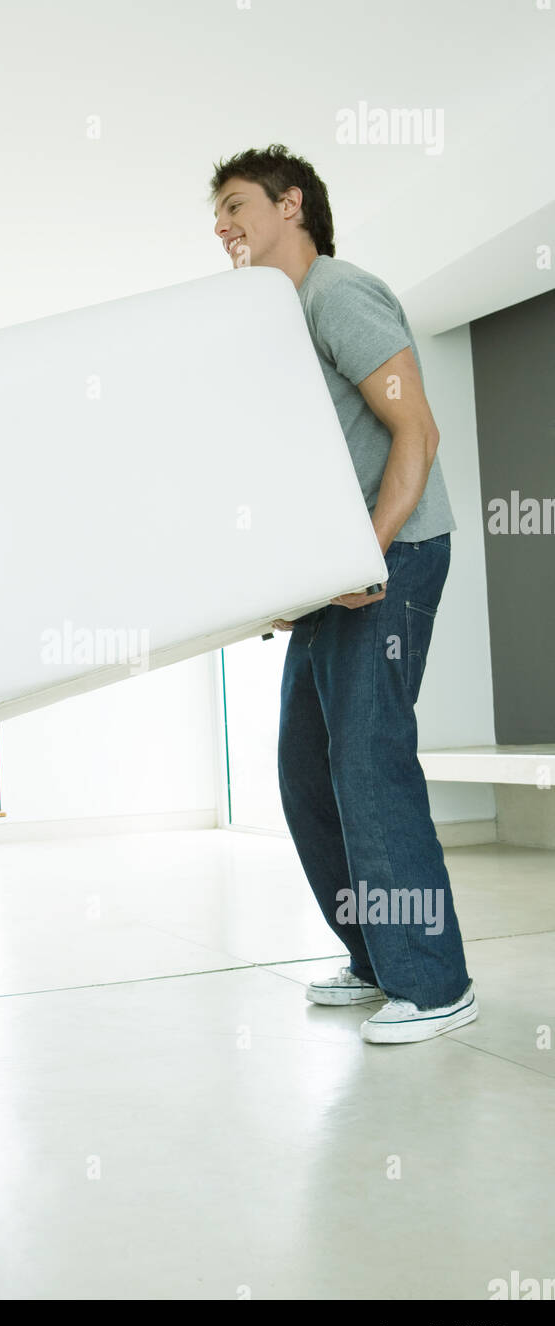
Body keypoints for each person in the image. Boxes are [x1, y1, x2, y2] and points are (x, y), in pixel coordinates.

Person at [210, 145, 477, 1044]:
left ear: (292, 206)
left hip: (395, 557)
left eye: (236, 205)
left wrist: (367, 558)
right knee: (302, 768)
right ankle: (375, 957)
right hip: (341, 570)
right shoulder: (278, 320)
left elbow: (417, 430)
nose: (223, 227)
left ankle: (434, 983)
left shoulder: (338, 292)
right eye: (216, 216)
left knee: (367, 758)